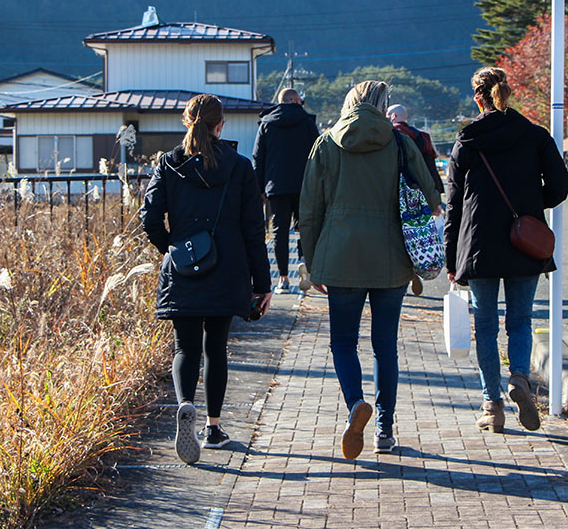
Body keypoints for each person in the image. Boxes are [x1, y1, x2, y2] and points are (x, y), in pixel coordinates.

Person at [298, 81, 442, 458]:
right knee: (384, 347)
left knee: (343, 342)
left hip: (340, 256)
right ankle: (384, 428)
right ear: (383, 105)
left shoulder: (326, 143)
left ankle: (354, 405)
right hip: (391, 259)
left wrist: (313, 263)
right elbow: (430, 196)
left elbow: (309, 209)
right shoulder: (400, 143)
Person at [140, 94, 272, 465]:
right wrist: (262, 284)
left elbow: (149, 218)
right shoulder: (240, 166)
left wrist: (172, 248)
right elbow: (253, 230)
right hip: (227, 268)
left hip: (182, 269)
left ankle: (185, 407)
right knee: (216, 347)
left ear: (187, 123)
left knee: (185, 347)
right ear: (220, 126)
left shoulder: (168, 164)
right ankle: (214, 428)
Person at [444, 68, 568, 434]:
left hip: (479, 244)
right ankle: (519, 378)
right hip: (524, 243)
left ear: (477, 98)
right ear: (507, 93)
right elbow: (560, 186)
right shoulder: (535, 136)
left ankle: (492, 405)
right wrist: (531, 205)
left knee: (485, 326)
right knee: (520, 319)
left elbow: (453, 206)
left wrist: (452, 259)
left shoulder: (467, 141)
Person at [253, 87, 320, 295]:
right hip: (304, 186)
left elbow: (258, 158)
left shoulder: (267, 124)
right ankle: (303, 261)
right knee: (305, 227)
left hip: (276, 186)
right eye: (301, 101)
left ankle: (283, 279)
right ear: (294, 100)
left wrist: (260, 188)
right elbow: (317, 155)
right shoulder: (307, 123)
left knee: (279, 232)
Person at [387, 103, 445, 295]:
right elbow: (430, 167)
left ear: (394, 116)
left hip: (397, 191)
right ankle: (415, 268)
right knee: (417, 233)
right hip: (419, 193)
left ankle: (404, 271)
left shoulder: (389, 135)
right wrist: (435, 199)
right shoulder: (422, 137)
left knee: (400, 233)